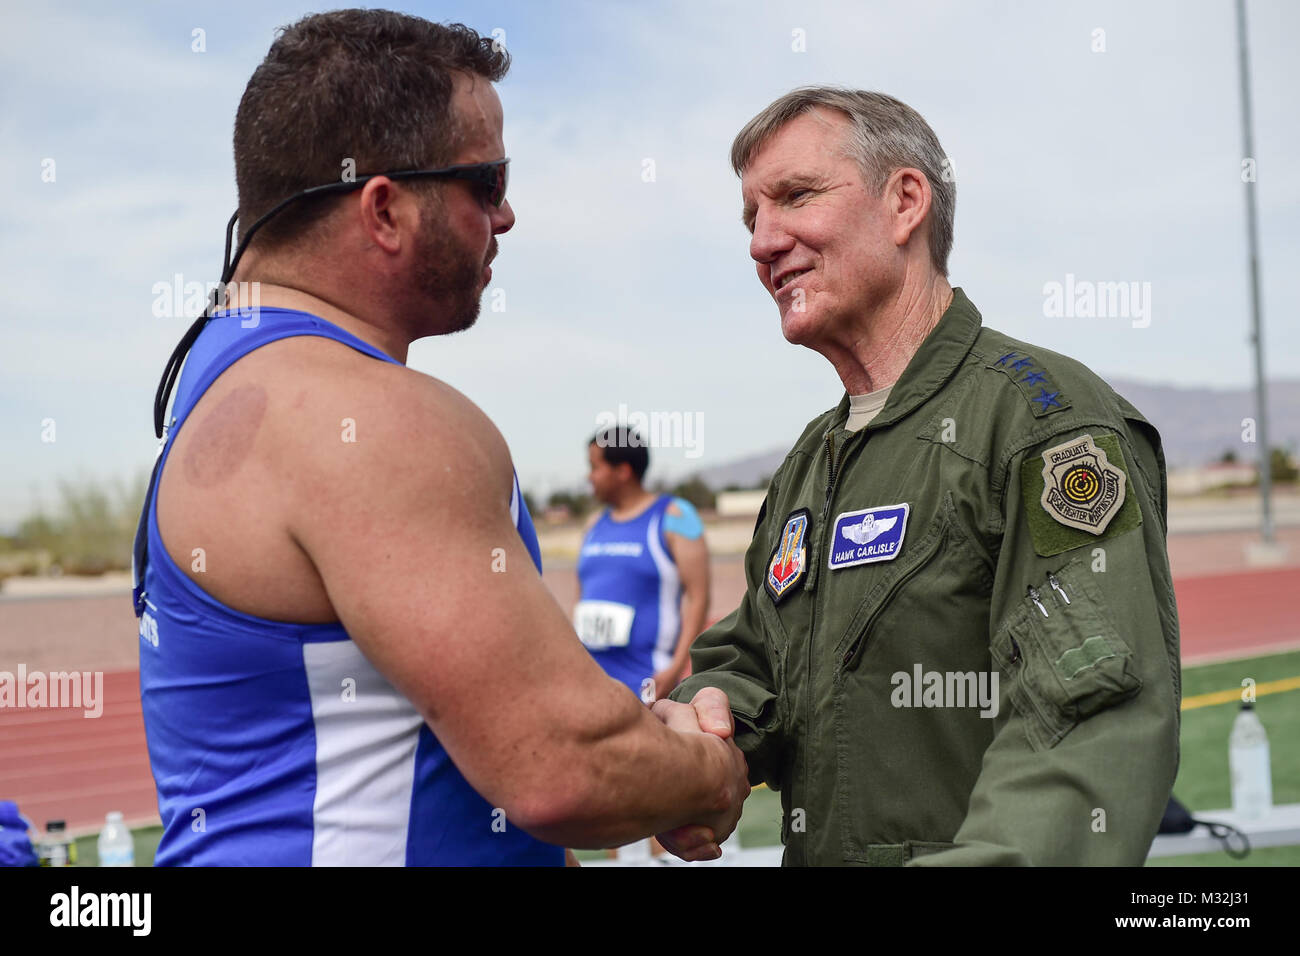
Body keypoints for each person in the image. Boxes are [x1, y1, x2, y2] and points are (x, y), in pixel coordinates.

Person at [131, 9, 747, 866]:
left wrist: (637, 748)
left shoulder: (223, 381)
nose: (508, 217)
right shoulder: (369, 419)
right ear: (383, 208)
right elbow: (562, 766)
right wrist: (710, 773)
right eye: (487, 183)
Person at [666, 87, 1181, 865]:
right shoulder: (813, 460)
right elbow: (756, 660)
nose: (762, 242)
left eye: (796, 197)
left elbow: (1089, 729)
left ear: (906, 202)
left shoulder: (1045, 424)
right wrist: (702, 731)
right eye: (751, 218)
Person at [577, 427, 710, 703]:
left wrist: (675, 668)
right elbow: (583, 596)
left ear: (623, 471)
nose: (589, 477)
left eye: (594, 467)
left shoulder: (674, 516)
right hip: (592, 684)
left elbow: (699, 597)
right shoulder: (593, 525)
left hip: (647, 684)